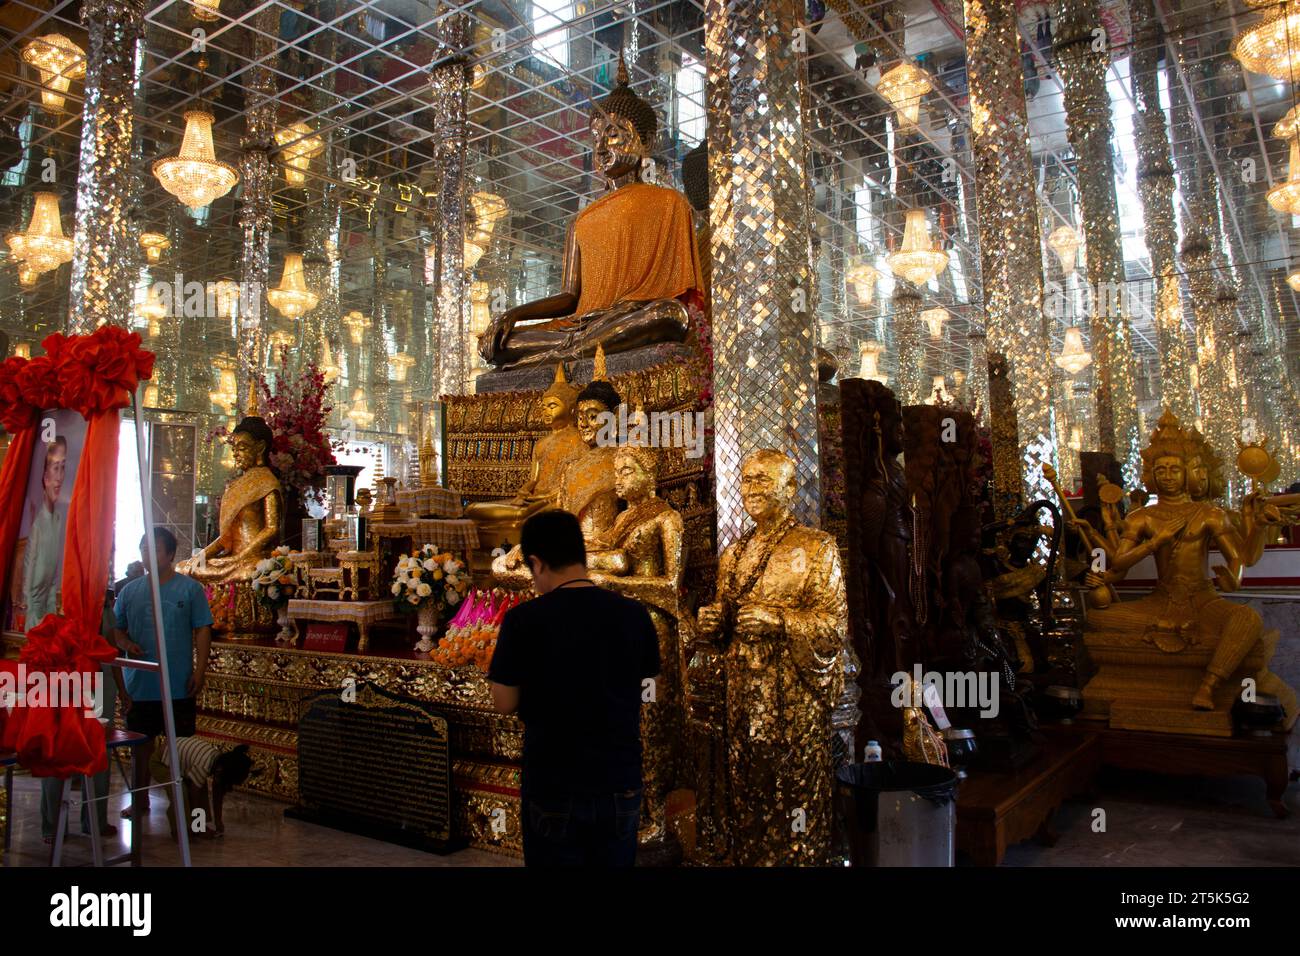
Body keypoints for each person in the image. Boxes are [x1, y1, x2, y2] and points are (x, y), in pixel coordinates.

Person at [488, 509, 660, 867]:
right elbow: (649, 691)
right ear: (583, 555)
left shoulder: (524, 620)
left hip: (555, 782)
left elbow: (504, 702)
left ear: (536, 563)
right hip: (619, 780)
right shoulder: (634, 615)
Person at [112, 527, 214, 819]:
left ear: (170, 555)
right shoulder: (130, 591)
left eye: (155, 549)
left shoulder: (189, 589)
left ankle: (183, 808)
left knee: (179, 749)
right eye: (144, 549)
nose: (148, 555)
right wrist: (125, 642)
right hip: (141, 684)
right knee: (140, 748)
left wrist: (200, 669)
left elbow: (202, 629)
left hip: (178, 683)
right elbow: (117, 629)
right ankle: (140, 799)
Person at [149, 739, 251, 840]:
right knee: (180, 792)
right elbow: (194, 797)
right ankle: (179, 831)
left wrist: (218, 821)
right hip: (160, 763)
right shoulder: (204, 765)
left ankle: (196, 827)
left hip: (179, 766)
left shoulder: (219, 762)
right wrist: (198, 827)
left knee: (200, 786)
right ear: (220, 771)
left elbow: (218, 793)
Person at [24, 436, 68, 628]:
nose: (59, 477)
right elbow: (28, 571)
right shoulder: (36, 524)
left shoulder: (58, 520)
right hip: (29, 611)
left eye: (62, 467)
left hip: (47, 610)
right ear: (44, 476)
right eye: (54, 467)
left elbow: (52, 576)